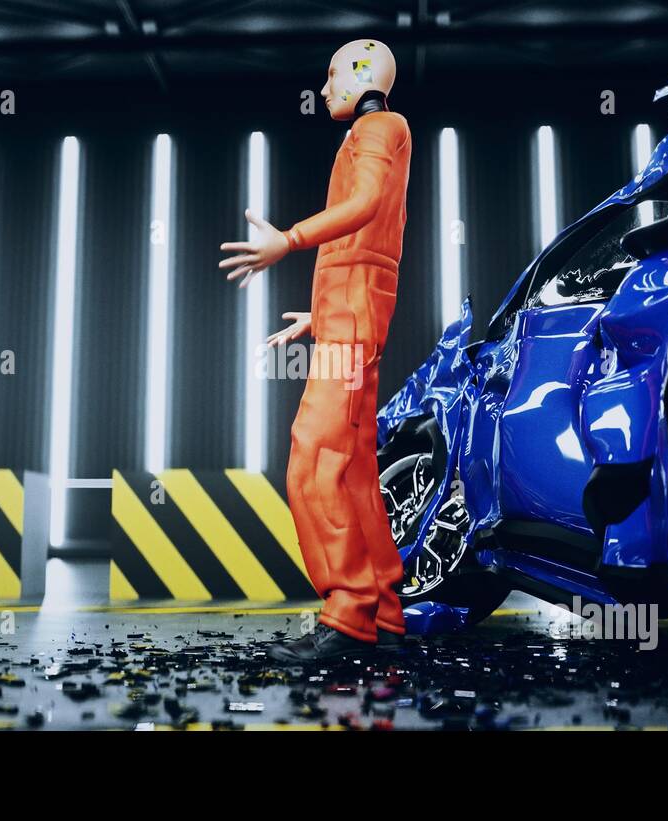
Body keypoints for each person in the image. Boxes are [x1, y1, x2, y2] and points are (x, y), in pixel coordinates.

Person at [219, 38, 411, 661]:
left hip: (352, 319)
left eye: (332, 76)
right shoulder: (378, 130)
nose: (324, 89)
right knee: (353, 470)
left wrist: (289, 241)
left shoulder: (379, 126)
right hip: (349, 315)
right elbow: (369, 243)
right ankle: (381, 614)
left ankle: (347, 613)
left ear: (360, 75)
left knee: (315, 457)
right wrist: (321, 312)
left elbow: (365, 206)